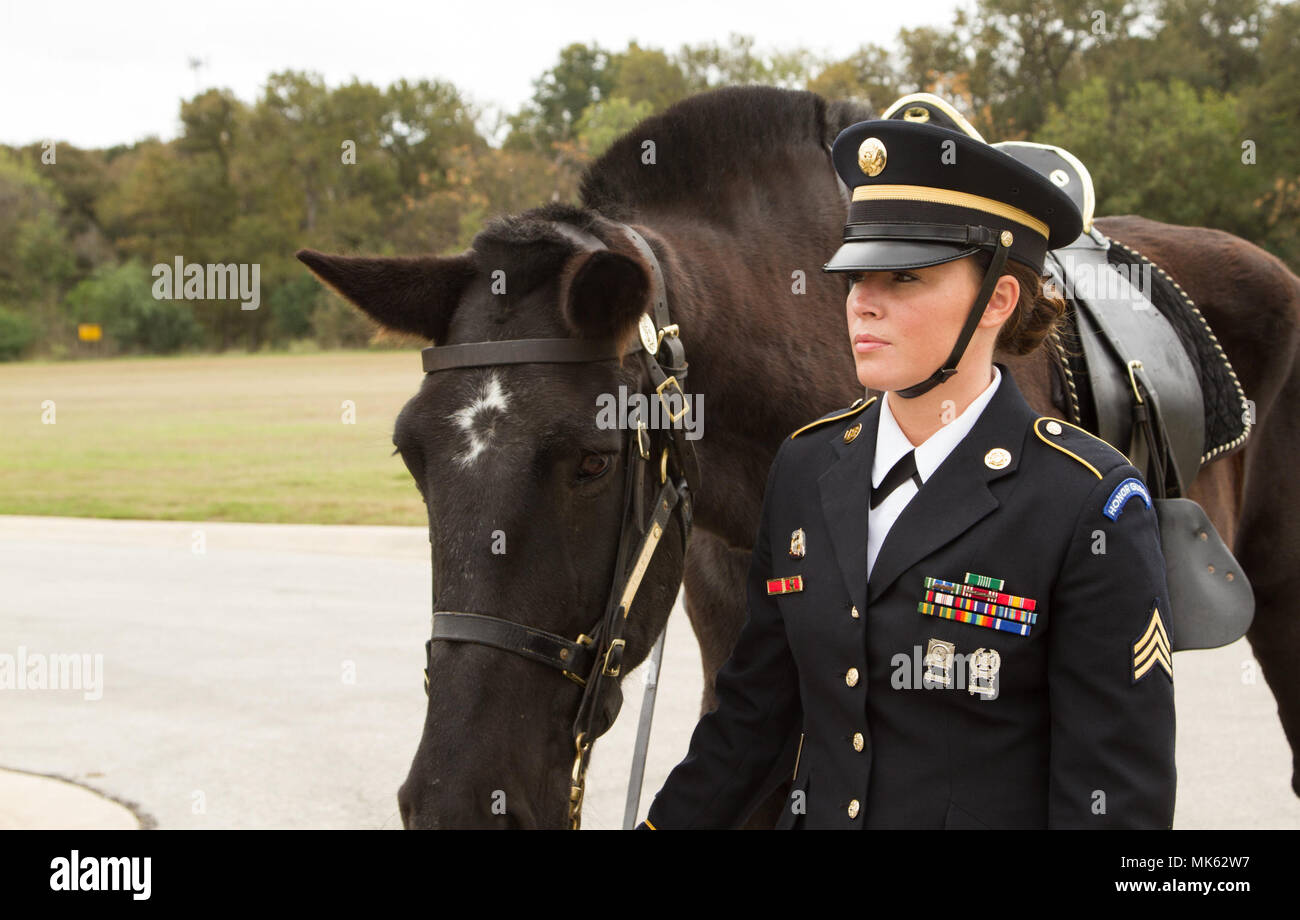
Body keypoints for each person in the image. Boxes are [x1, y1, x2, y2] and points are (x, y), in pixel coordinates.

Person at [637, 110, 1176, 829]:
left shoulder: (1087, 504)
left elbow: (1115, 800)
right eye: (858, 274)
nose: (863, 301)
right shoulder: (806, 467)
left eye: (904, 278)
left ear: (999, 299)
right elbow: (749, 724)